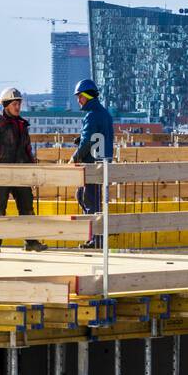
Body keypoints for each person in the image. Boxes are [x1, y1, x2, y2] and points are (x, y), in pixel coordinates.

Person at [0, 87, 45, 253]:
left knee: (27, 207)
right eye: (15, 104)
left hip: (20, 173)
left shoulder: (22, 125)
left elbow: (27, 150)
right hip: (1, 173)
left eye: (19, 104)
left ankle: (31, 242)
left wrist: (32, 172)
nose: (18, 107)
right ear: (6, 105)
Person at [71, 78, 113, 249]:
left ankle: (96, 239)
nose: (78, 100)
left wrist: (74, 158)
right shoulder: (103, 113)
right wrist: (81, 139)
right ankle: (94, 238)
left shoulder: (92, 115)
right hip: (102, 163)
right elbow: (96, 136)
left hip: (93, 165)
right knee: (84, 197)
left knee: (90, 200)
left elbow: (88, 141)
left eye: (79, 96)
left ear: (87, 96)